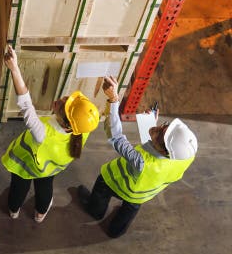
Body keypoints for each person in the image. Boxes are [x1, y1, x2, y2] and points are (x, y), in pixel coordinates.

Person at [78, 76, 198, 238]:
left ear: (164, 150)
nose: (156, 128)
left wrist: (113, 100)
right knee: (130, 209)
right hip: (141, 194)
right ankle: (116, 231)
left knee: (101, 189)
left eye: (159, 133)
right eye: (164, 126)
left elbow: (116, 137)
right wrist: (151, 122)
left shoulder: (142, 162)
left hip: (115, 182)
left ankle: (95, 212)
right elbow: (157, 150)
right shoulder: (185, 156)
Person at [2, 45, 99, 222]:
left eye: (61, 105)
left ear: (64, 121)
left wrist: (14, 68)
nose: (59, 100)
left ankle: (14, 211)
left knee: (18, 189)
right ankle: (40, 215)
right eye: (66, 99)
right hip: (49, 169)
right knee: (45, 188)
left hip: (25, 167)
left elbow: (25, 104)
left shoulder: (43, 133)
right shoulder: (83, 130)